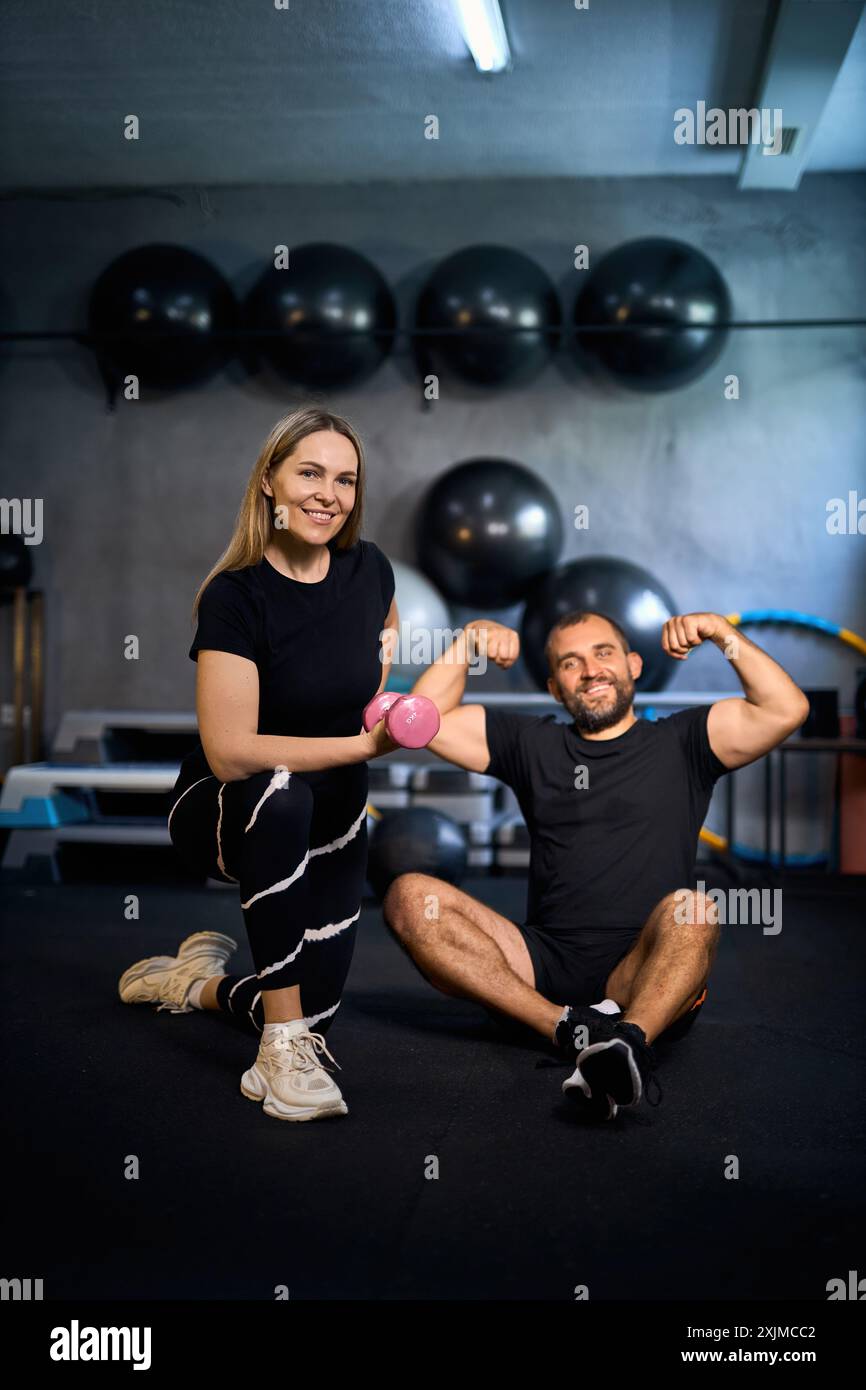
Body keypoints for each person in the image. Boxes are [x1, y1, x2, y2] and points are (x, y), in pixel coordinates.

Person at [379, 610, 810, 1120]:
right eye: (570, 662)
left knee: (694, 909)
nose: (590, 670)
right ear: (554, 687)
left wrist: (721, 632)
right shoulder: (531, 743)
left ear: (632, 665)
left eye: (603, 653)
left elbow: (786, 708)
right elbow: (418, 722)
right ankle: (566, 1028)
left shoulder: (685, 741)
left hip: (644, 969)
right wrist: (468, 641)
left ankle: (629, 1041)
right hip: (539, 970)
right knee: (410, 896)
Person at [118, 406, 402, 1123]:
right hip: (229, 807)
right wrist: (365, 746)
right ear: (270, 483)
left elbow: (383, 648)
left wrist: (394, 694)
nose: (327, 494)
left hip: (334, 813)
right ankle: (276, 1051)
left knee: (321, 1016)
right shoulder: (235, 596)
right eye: (309, 472)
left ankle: (198, 985)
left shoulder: (371, 570)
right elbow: (231, 750)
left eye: (345, 479)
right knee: (283, 792)